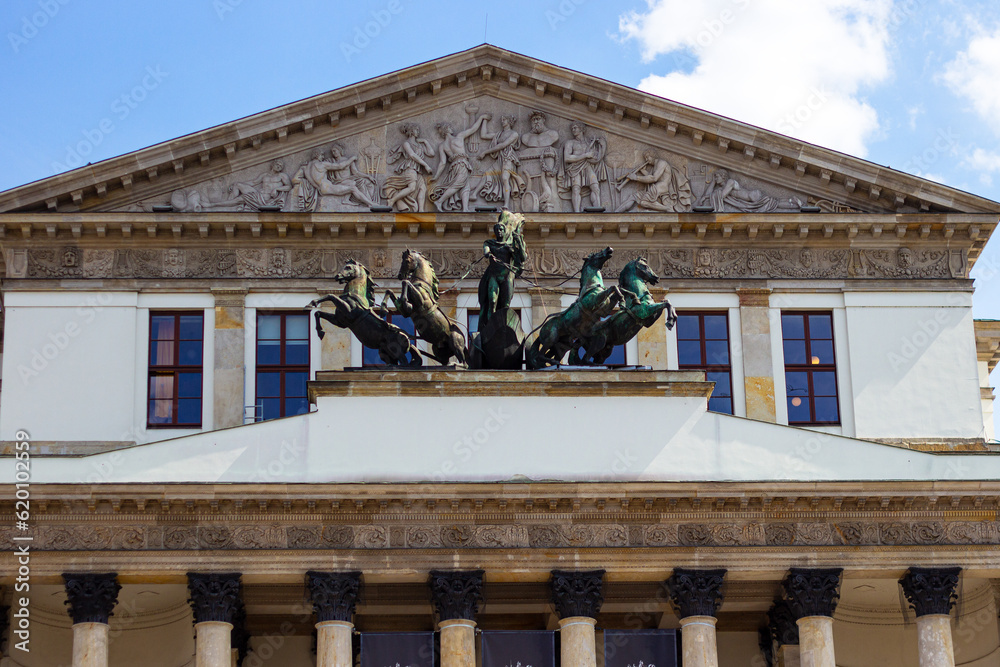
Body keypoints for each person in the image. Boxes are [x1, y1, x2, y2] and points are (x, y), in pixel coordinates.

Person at [478, 210, 527, 333]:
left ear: (505, 231)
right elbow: (486, 250)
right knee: (492, 301)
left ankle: (504, 327)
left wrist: (518, 241)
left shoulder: (509, 247)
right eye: (497, 230)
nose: (499, 231)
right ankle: (491, 327)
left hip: (506, 277)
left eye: (501, 229)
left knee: (505, 305)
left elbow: (522, 257)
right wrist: (488, 253)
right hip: (494, 276)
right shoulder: (490, 243)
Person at [430, 115, 491, 212]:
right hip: (462, 164)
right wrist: (481, 118)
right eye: (450, 127)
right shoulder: (459, 137)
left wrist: (436, 176)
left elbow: (443, 163)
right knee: (458, 184)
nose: (452, 129)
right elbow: (473, 129)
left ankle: (465, 208)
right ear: (447, 129)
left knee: (465, 186)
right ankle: (439, 201)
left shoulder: (442, 145)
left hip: (454, 166)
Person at [615, 150, 693, 212]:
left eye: (647, 157)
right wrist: (642, 171)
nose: (646, 160)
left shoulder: (661, 163)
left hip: (661, 186)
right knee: (634, 196)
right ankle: (616, 212)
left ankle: (667, 208)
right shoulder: (655, 166)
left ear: (652, 155)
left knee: (644, 202)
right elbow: (651, 177)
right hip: (657, 186)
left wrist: (635, 177)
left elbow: (653, 178)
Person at [382, 123, 435, 212]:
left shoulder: (419, 145)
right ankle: (392, 200)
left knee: (423, 188)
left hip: (418, 170)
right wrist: (426, 165)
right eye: (416, 130)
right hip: (410, 167)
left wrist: (425, 142)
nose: (418, 131)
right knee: (412, 187)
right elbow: (412, 155)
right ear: (411, 131)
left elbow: (431, 153)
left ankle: (421, 211)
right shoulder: (406, 143)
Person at [697, 168, 802, 212]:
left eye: (716, 177)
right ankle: (792, 201)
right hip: (750, 201)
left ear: (723, 176)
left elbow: (722, 195)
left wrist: (705, 198)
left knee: (775, 204)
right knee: (775, 203)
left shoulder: (730, 182)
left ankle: (794, 204)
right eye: (715, 177)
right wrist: (713, 183)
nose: (715, 179)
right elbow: (711, 193)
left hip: (753, 197)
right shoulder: (722, 187)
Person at [478, 115, 526, 210]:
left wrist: (485, 152)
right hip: (500, 159)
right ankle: (474, 194)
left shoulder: (514, 134)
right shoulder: (499, 134)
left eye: (504, 120)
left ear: (509, 121)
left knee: (505, 178)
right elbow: (483, 135)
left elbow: (502, 145)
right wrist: (484, 119)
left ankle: (506, 204)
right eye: (502, 120)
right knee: (487, 173)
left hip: (508, 158)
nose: (502, 121)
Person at [520, 111, 561, 212]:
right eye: (533, 120)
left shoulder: (553, 135)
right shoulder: (526, 137)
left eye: (538, 119)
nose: (536, 122)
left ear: (543, 120)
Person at [562, 122, 607, 212]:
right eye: (572, 128)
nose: (573, 130)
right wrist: (585, 155)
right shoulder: (570, 143)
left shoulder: (589, 142)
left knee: (595, 187)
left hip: (588, 166)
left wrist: (603, 146)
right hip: (575, 168)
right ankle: (576, 212)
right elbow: (567, 158)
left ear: (581, 129)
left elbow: (597, 158)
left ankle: (597, 210)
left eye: (575, 128)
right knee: (576, 189)